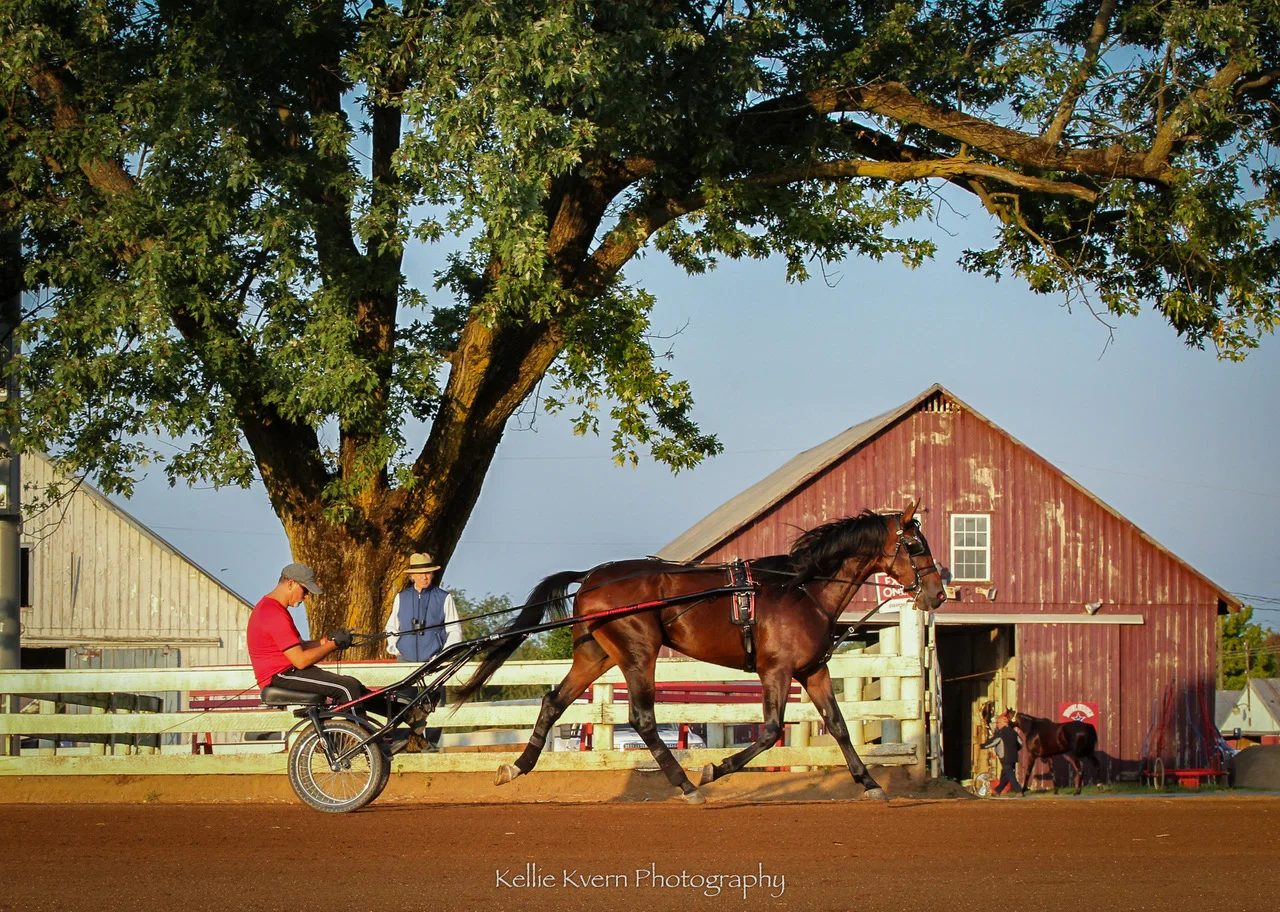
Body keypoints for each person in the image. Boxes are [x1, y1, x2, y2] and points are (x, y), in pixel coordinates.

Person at [247, 562, 402, 720]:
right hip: (281, 676)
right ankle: (364, 741)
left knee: (351, 683)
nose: (307, 596)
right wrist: (333, 645)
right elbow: (300, 660)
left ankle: (403, 713)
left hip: (288, 672)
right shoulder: (272, 613)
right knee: (346, 687)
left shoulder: (274, 608)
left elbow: (300, 645)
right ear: (290, 583)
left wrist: (329, 640)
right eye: (305, 590)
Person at [383, 552, 463, 749]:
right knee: (403, 702)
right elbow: (391, 628)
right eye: (420, 574)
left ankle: (430, 744)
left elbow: (454, 631)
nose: (425, 577)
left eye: (428, 573)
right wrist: (396, 648)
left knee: (434, 704)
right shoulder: (401, 598)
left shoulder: (444, 598)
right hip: (406, 661)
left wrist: (443, 655)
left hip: (434, 661)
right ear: (412, 576)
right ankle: (400, 743)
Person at [981, 711, 1024, 796]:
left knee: (1010, 775)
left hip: (1005, 757)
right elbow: (1021, 744)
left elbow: (993, 742)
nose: (998, 724)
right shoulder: (1014, 733)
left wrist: (983, 746)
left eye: (998, 722)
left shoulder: (1000, 733)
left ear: (1003, 723)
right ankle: (998, 790)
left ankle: (1019, 791)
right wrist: (1015, 749)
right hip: (1013, 757)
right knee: (1005, 775)